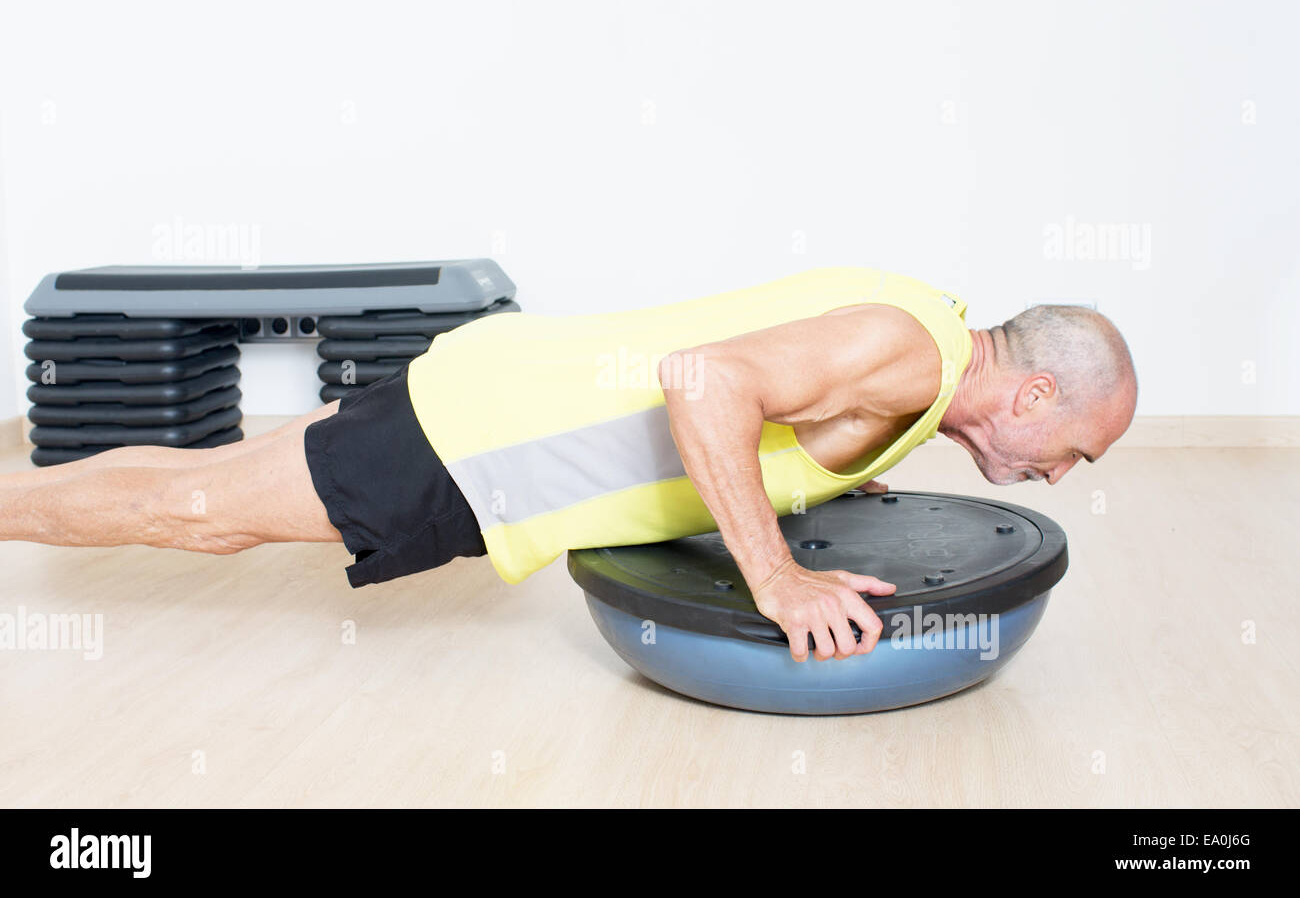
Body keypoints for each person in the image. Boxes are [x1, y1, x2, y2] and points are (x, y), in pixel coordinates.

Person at [0, 267, 1137, 662]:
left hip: (497, 395)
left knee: (195, 486)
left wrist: (824, 475)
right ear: (1034, 392)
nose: (1059, 475)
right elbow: (705, 379)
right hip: (480, 441)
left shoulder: (923, 337)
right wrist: (776, 579)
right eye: (1073, 448)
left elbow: (782, 394)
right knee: (196, 515)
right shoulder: (905, 351)